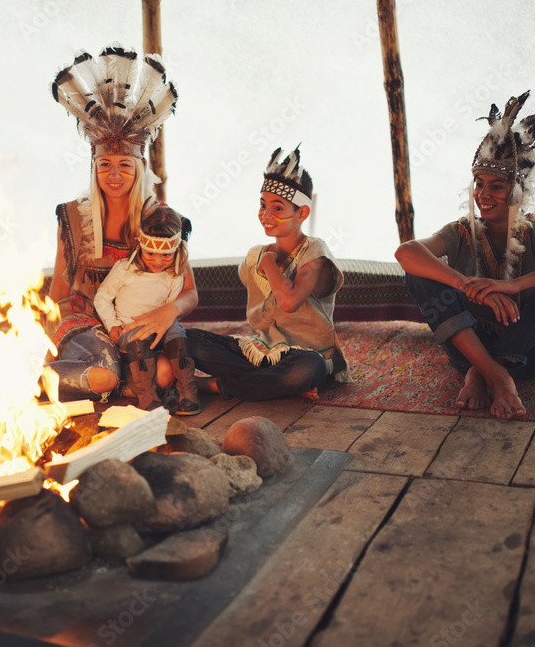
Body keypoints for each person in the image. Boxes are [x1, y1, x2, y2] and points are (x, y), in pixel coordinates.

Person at [394, 91, 535, 419]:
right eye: (479, 184)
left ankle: (483, 373)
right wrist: (465, 283)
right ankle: (497, 375)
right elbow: (406, 252)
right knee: (419, 273)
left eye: (496, 186)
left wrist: (515, 286)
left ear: (517, 191)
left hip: (531, 355)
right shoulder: (461, 231)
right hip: (466, 351)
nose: (483, 194)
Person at [46, 45, 198, 401]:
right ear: (94, 167)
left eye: (124, 166)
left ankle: (108, 380)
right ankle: (32, 376)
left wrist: (168, 312)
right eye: (105, 165)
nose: (114, 176)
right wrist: (46, 337)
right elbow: (57, 291)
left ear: (139, 168)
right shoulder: (72, 217)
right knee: (105, 376)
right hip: (84, 321)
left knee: (162, 375)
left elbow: (189, 291)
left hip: (136, 322)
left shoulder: (161, 220)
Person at [188, 147, 350, 401]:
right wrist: (263, 258)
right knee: (186, 338)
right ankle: (279, 385)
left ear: (302, 213)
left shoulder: (314, 251)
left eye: (277, 208)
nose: (266, 215)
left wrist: (268, 263)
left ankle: (214, 386)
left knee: (307, 369)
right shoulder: (254, 255)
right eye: (263, 205)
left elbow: (288, 302)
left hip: (305, 354)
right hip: (260, 352)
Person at [94, 206, 199, 414]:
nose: (158, 261)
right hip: (130, 329)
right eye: (150, 252)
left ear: (177, 250)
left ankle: (188, 393)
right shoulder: (125, 269)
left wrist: (169, 324)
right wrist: (112, 325)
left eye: (167, 255)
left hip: (160, 326)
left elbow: (170, 306)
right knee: (137, 340)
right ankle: (148, 399)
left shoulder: (174, 274)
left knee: (178, 335)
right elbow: (102, 298)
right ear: (140, 245)